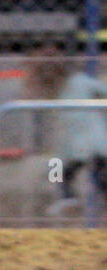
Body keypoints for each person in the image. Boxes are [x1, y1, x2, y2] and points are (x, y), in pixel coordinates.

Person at [23, 46, 107, 216]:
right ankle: (68, 198)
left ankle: (67, 198)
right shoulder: (80, 81)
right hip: (96, 142)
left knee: (60, 173)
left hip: (73, 146)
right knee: (98, 176)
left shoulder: (52, 90)